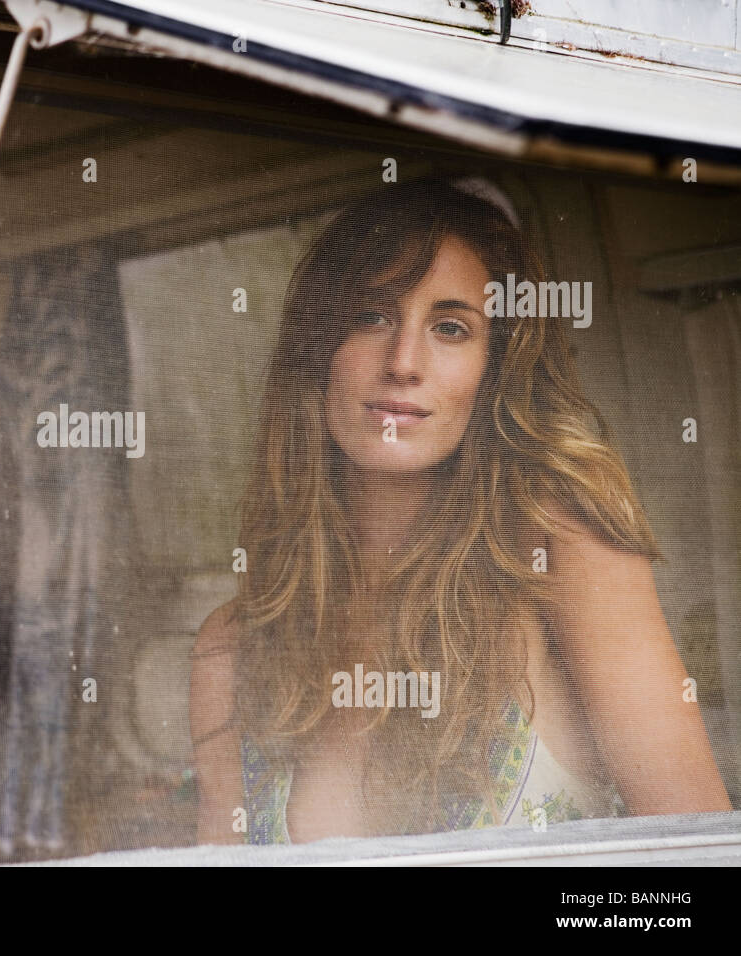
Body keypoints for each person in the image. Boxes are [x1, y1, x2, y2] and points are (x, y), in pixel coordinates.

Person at [189, 177, 733, 845]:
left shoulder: (555, 547)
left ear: (495, 369)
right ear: (318, 351)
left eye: (450, 328)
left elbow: (695, 862)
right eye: (371, 316)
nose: (403, 362)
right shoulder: (232, 645)